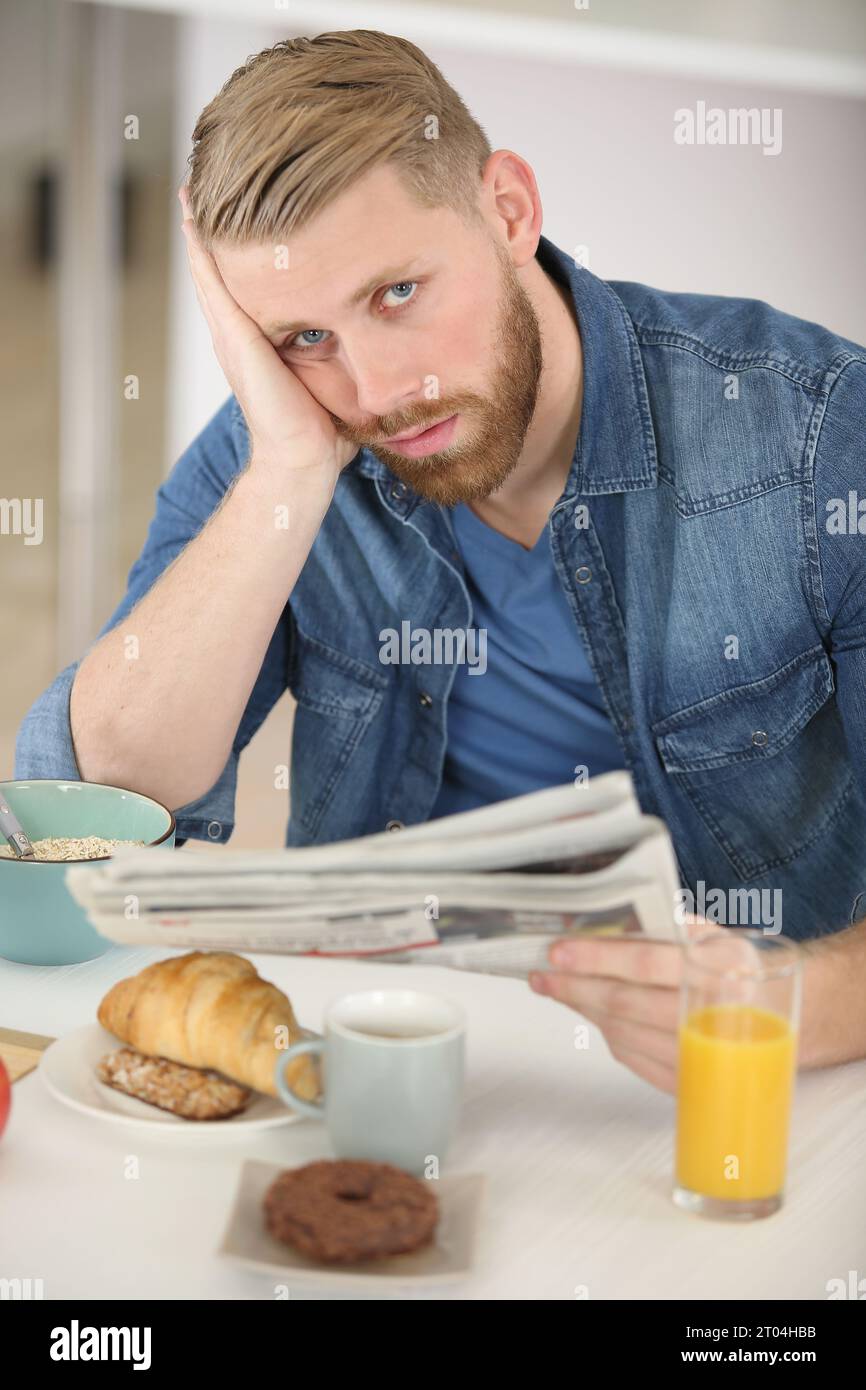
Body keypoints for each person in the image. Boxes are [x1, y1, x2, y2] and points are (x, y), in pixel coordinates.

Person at [15, 30, 866, 1087]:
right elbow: (90, 804)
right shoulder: (279, 455)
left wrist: (787, 1007)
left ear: (506, 210)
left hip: (738, 1078)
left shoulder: (814, 433)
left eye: (396, 294)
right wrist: (285, 473)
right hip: (378, 1054)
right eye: (301, 338)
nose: (375, 389)